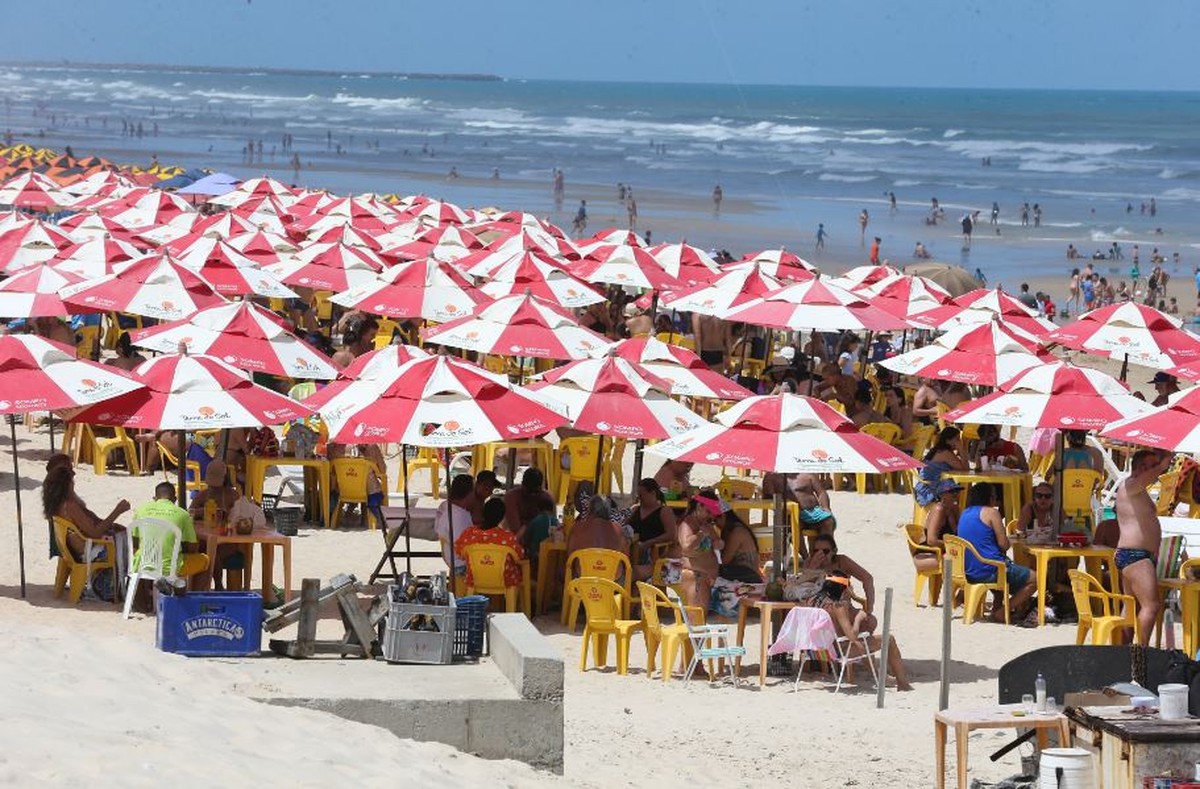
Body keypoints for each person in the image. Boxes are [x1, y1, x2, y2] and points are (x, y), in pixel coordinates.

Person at [811, 570, 913, 691]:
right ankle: (902, 683)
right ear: (843, 588)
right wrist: (858, 618)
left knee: (863, 639)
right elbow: (852, 636)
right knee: (889, 639)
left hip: (819, 650)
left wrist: (853, 597)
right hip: (841, 651)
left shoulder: (814, 601)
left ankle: (880, 675)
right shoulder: (838, 606)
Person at [1115, 449, 1174, 646]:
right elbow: (1155, 473)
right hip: (1135, 555)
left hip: (1135, 554)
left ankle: (1125, 652)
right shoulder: (1131, 484)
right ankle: (1140, 652)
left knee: (1131, 606)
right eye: (1150, 465)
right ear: (1140, 467)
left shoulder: (1135, 488)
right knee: (1151, 605)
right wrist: (1163, 463)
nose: (1154, 470)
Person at [957, 483, 1037, 624]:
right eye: (994, 496)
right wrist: (1011, 540)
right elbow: (1003, 545)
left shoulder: (965, 513)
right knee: (1035, 579)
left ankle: (997, 607)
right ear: (990, 498)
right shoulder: (992, 513)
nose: (996, 500)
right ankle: (1003, 611)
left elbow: (982, 540)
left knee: (999, 564)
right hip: (989, 570)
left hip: (968, 569)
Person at [42, 453, 130, 572]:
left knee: (127, 535)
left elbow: (91, 522)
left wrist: (110, 525)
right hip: (91, 551)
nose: (74, 476)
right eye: (71, 473)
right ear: (65, 484)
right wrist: (117, 511)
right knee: (136, 547)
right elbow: (95, 533)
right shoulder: (70, 506)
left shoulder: (56, 504)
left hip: (80, 550)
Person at [131, 481, 209, 581]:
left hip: (141, 565)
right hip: (170, 568)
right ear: (175, 499)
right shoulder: (183, 514)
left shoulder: (140, 510)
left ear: (155, 498)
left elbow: (135, 542)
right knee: (205, 561)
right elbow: (192, 547)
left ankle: (145, 594)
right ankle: (194, 595)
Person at [804, 534, 878, 632]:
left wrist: (869, 607)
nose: (821, 555)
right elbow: (802, 587)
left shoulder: (842, 562)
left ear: (834, 551)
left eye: (825, 551)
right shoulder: (810, 563)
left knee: (871, 622)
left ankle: (849, 645)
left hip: (845, 607)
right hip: (821, 609)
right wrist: (812, 568)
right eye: (816, 551)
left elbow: (867, 578)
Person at [455, 497, 525, 590]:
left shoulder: (468, 534)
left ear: (483, 513)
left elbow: (459, 552)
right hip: (505, 581)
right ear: (502, 517)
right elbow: (520, 555)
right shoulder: (507, 537)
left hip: (474, 579)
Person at [677, 491, 724, 610]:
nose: (711, 517)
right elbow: (686, 546)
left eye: (713, 514)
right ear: (699, 506)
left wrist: (718, 543)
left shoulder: (706, 525)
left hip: (709, 575)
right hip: (697, 574)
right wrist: (701, 534)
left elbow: (717, 541)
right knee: (699, 616)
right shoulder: (687, 524)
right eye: (708, 512)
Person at [912, 480, 962, 576]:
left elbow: (959, 534)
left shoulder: (954, 509)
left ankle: (960, 591)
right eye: (952, 492)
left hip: (943, 552)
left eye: (957, 491)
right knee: (961, 565)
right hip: (927, 553)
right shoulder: (938, 510)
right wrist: (953, 547)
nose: (956, 494)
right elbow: (931, 540)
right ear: (942, 495)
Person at [762, 472, 836, 534]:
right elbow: (768, 498)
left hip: (814, 512)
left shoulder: (807, 473)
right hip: (790, 513)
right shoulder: (771, 476)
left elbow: (821, 492)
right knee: (793, 524)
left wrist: (825, 507)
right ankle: (803, 552)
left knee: (828, 522)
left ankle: (826, 549)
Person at [914, 426, 969, 507]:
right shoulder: (945, 453)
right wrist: (961, 449)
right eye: (957, 439)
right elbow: (965, 469)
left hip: (925, 486)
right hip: (929, 490)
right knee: (962, 493)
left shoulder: (938, 449)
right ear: (948, 441)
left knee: (958, 490)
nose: (959, 442)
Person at [502, 467, 556, 544]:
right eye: (529, 491)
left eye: (535, 491)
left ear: (541, 488)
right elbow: (515, 530)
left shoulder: (547, 497)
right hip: (515, 540)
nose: (532, 495)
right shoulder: (512, 497)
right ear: (522, 484)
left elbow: (552, 525)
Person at [436, 474, 475, 577]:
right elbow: (462, 545)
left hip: (452, 559)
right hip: (461, 564)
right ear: (469, 493)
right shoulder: (459, 516)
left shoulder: (446, 508)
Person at [628, 477, 678, 556]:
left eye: (641, 495)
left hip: (653, 550)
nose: (639, 498)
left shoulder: (664, 511)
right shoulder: (635, 509)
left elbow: (671, 534)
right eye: (638, 495)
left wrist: (648, 543)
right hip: (631, 547)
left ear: (653, 493)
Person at [719, 509, 762, 583]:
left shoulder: (737, 532)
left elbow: (724, 560)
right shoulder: (728, 531)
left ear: (723, 516)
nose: (716, 525)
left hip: (748, 575)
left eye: (715, 521)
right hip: (741, 573)